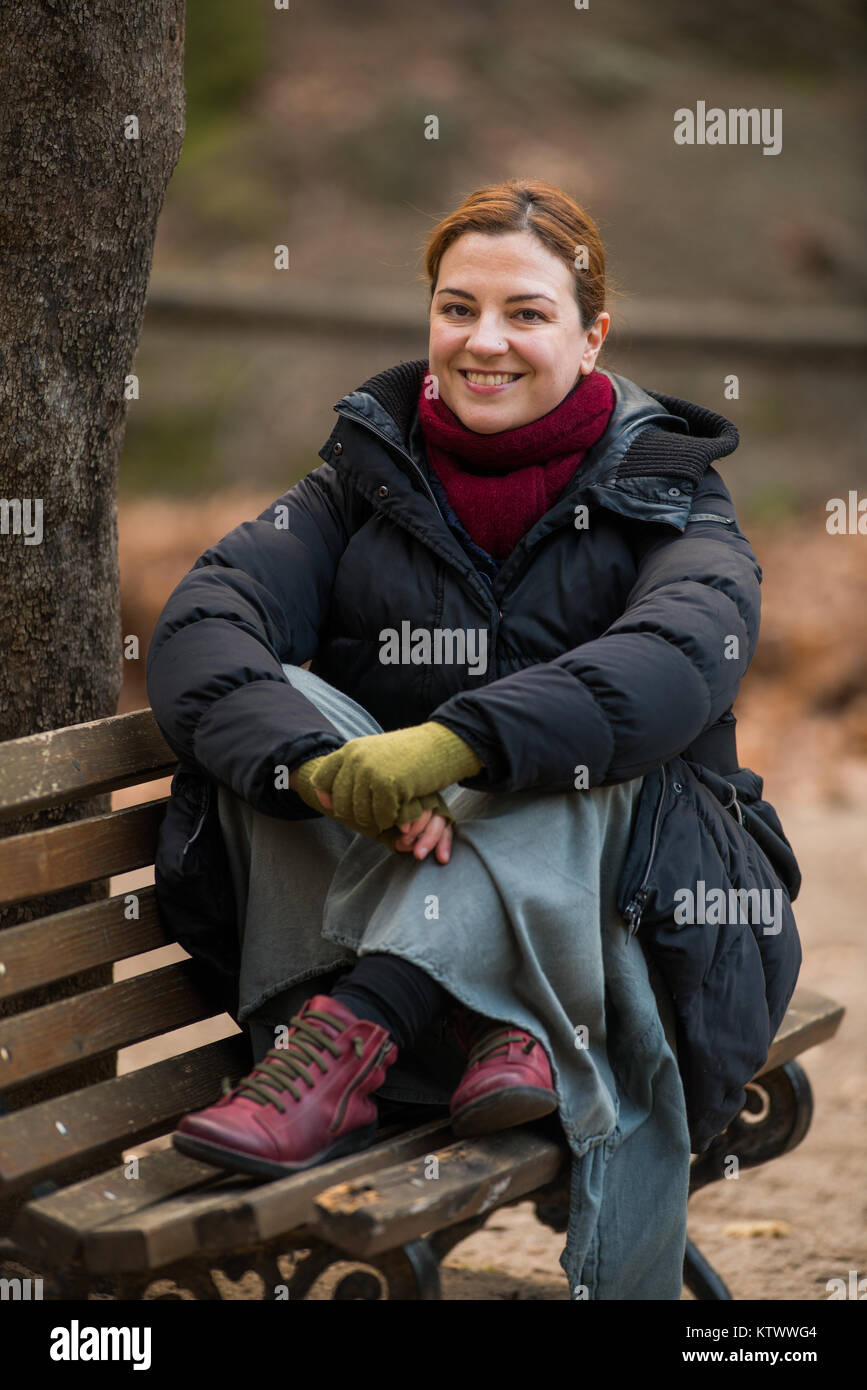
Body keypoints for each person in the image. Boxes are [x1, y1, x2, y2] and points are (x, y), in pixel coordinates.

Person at [145, 178, 801, 1299]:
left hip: (636, 937)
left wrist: (456, 745)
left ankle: (374, 1016)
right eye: (457, 308)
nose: (482, 341)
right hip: (443, 962)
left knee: (588, 743)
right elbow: (205, 626)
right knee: (285, 698)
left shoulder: (677, 501)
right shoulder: (353, 485)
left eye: (527, 313)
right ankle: (494, 1012)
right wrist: (321, 767)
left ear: (593, 337)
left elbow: (675, 660)